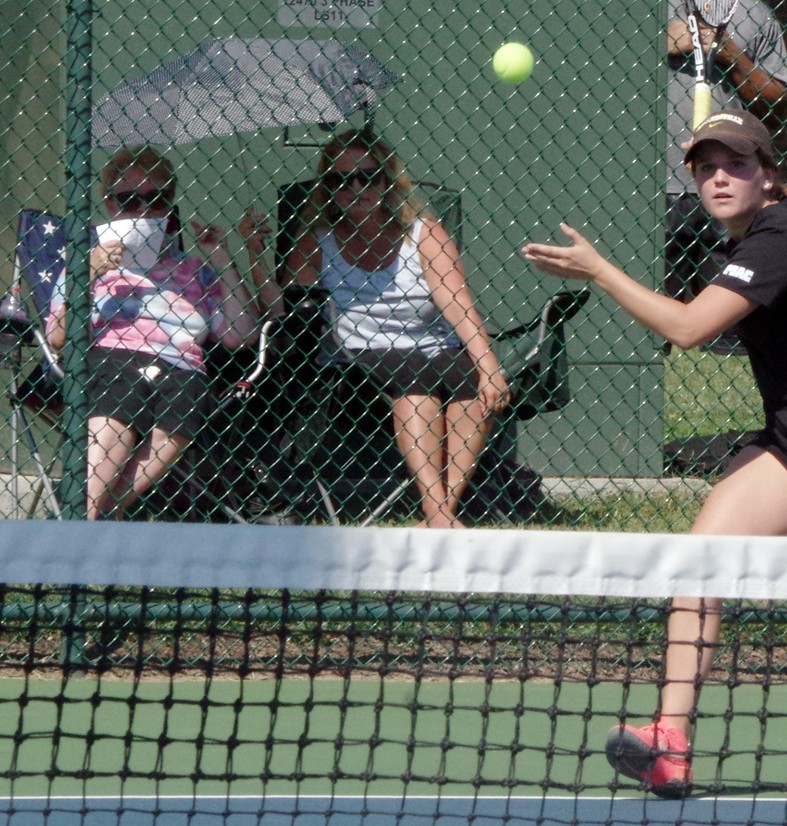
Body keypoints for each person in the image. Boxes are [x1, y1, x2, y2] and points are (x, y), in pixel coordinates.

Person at [522, 110, 787, 801]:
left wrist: (600, 270)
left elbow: (689, 328)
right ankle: (669, 740)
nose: (720, 177)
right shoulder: (750, 238)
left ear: (767, 174)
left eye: (738, 164)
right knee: (698, 564)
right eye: (706, 167)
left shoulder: (786, 238)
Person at [283, 128, 508, 528]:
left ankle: (443, 508)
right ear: (328, 188)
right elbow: (287, 307)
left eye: (367, 176)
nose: (356, 188)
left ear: (387, 181)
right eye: (341, 180)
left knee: (471, 380)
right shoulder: (317, 241)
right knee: (413, 375)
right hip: (357, 353)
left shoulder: (424, 234)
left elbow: (458, 304)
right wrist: (253, 255)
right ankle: (435, 509)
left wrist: (488, 364)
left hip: (434, 344)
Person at [45, 148, 264, 519]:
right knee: (120, 396)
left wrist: (221, 257)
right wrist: (91, 274)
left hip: (181, 368)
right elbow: (57, 337)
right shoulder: (87, 264)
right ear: (109, 204)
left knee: (184, 407)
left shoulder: (195, 270)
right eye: (128, 200)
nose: (143, 211)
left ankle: (83, 518)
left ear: (170, 203)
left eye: (156, 199)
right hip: (110, 358)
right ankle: (84, 519)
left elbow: (239, 336)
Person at [665, 0, 787, 334]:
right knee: (652, 315)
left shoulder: (757, 13)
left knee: (731, 324)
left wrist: (733, 55)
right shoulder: (646, 11)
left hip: (728, 188)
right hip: (653, 184)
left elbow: (776, 101)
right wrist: (658, 45)